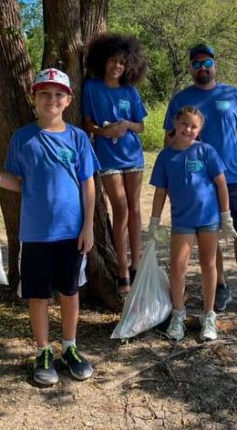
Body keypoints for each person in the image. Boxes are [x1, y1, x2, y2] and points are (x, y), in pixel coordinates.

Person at [0, 67, 98, 386]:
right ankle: (43, 352)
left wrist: (88, 226)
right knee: (38, 295)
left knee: (69, 291)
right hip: (35, 235)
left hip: (72, 233)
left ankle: (69, 348)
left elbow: (88, 184)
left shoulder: (77, 137)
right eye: (44, 94)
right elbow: (18, 181)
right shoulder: (23, 138)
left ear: (68, 100)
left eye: (58, 94)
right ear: (33, 98)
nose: (51, 99)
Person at [164, 44, 237, 317]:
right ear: (190, 68)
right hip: (197, 181)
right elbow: (169, 141)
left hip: (233, 177)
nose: (202, 68)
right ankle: (221, 286)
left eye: (206, 63)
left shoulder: (232, 95)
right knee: (208, 235)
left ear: (215, 65)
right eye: (197, 64)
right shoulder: (180, 100)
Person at [148, 106, 237, 342]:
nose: (188, 129)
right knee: (178, 268)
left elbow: (221, 184)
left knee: (209, 265)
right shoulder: (165, 156)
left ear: (199, 130)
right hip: (182, 221)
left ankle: (209, 316)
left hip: (209, 220)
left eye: (194, 126)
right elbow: (160, 192)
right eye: (184, 124)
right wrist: (155, 221)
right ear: (175, 124)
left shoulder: (206, 151)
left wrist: (226, 216)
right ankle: (178, 314)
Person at [82, 33, 148, 300]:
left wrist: (126, 126)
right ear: (103, 61)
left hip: (133, 157)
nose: (117, 66)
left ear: (128, 65)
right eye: (112, 60)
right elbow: (86, 123)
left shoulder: (130, 92)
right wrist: (102, 131)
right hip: (107, 157)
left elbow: (141, 126)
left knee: (134, 209)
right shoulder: (91, 87)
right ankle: (122, 270)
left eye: (122, 62)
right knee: (119, 209)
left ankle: (136, 266)